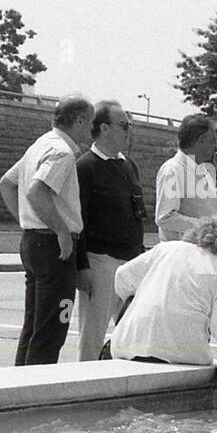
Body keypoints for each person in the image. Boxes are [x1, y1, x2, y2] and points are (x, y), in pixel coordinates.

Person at [0, 95, 94, 365]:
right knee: (52, 329)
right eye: (90, 122)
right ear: (79, 121)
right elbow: (37, 191)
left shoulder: (39, 145)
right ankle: (39, 383)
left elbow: (6, 184)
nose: (92, 129)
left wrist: (28, 221)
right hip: (54, 248)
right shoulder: (62, 152)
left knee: (33, 326)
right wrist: (61, 231)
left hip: (33, 242)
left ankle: (21, 381)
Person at [109, 214, 217, 365]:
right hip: (183, 354)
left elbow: (122, 276)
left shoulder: (166, 249)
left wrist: (133, 301)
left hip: (129, 345)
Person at [74, 101, 146, 360]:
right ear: (104, 128)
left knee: (133, 331)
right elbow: (78, 222)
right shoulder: (85, 167)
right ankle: (86, 378)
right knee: (92, 335)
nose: (129, 130)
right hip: (100, 263)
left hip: (130, 263)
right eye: (124, 125)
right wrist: (81, 267)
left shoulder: (129, 165)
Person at [155, 113, 217, 241]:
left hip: (203, 250)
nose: (216, 146)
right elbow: (165, 218)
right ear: (201, 140)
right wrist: (208, 227)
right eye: (213, 140)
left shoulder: (204, 171)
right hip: (183, 251)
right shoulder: (173, 170)